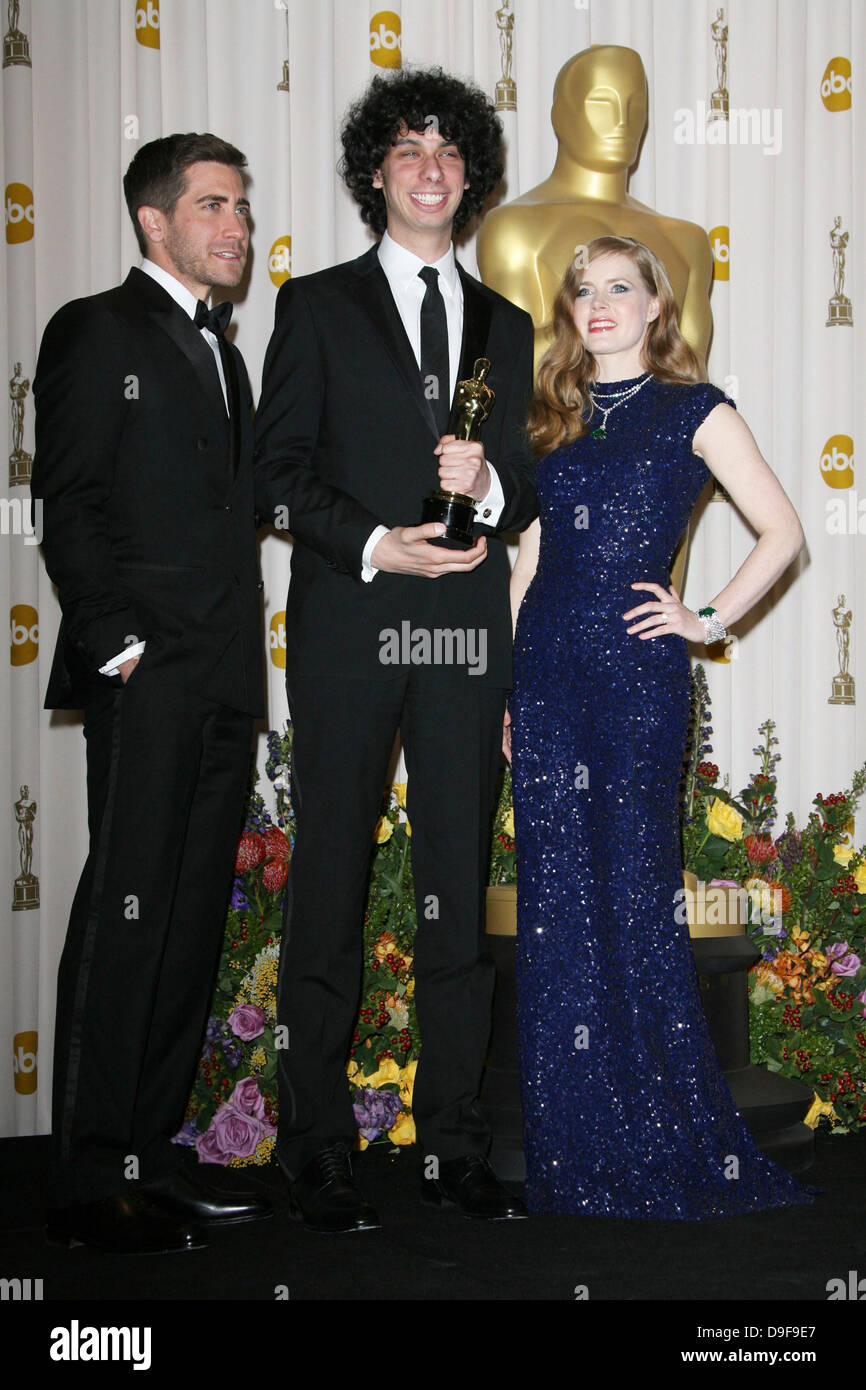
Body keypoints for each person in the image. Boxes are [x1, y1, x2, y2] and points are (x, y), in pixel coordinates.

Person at [255, 68, 537, 1231]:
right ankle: (313, 1146)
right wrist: (378, 543)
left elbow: (526, 496)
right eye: (408, 149)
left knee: (452, 887)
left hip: (466, 632)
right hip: (350, 624)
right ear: (374, 171)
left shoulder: (508, 327)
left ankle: (452, 1145)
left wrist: (496, 482)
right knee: (327, 877)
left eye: (450, 153)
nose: (430, 168)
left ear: (470, 180)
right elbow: (276, 477)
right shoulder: (313, 304)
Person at [506, 234, 812, 1217]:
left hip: (636, 681)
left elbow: (783, 530)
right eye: (582, 291)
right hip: (548, 677)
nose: (596, 303)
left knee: (633, 902)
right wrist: (506, 693)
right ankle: (577, 1147)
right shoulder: (548, 418)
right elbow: (527, 557)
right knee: (557, 908)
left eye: (617, 288)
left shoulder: (695, 409)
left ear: (651, 308)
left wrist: (706, 619)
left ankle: (659, 1134)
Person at [32, 133, 271, 1253]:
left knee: (183, 925)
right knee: (127, 915)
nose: (235, 224)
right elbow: (68, 500)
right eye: (213, 204)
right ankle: (87, 1177)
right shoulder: (93, 328)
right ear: (154, 220)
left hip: (225, 678)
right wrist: (116, 643)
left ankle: (148, 1151)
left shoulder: (228, 354)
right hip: (146, 674)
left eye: (241, 204)